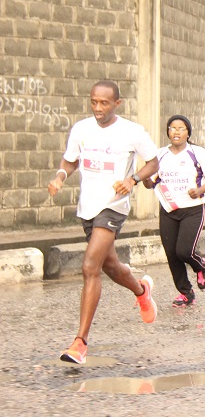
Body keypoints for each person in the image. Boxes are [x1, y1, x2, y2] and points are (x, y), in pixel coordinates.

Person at [47, 80, 159, 365]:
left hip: (113, 206)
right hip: (88, 207)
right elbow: (70, 161)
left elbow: (153, 163)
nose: (98, 108)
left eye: (104, 103)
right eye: (94, 102)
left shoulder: (132, 132)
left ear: (117, 104)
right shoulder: (81, 129)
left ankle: (79, 343)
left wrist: (132, 179)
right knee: (109, 266)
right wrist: (61, 176)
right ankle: (141, 290)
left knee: (89, 266)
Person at [143, 115, 205, 307]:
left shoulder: (198, 153)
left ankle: (201, 266)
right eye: (172, 128)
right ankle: (186, 293)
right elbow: (149, 183)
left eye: (181, 128)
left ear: (188, 132)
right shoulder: (159, 154)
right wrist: (143, 177)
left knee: (184, 251)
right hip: (169, 208)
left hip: (192, 209)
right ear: (168, 131)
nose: (176, 132)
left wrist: (199, 190)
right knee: (171, 253)